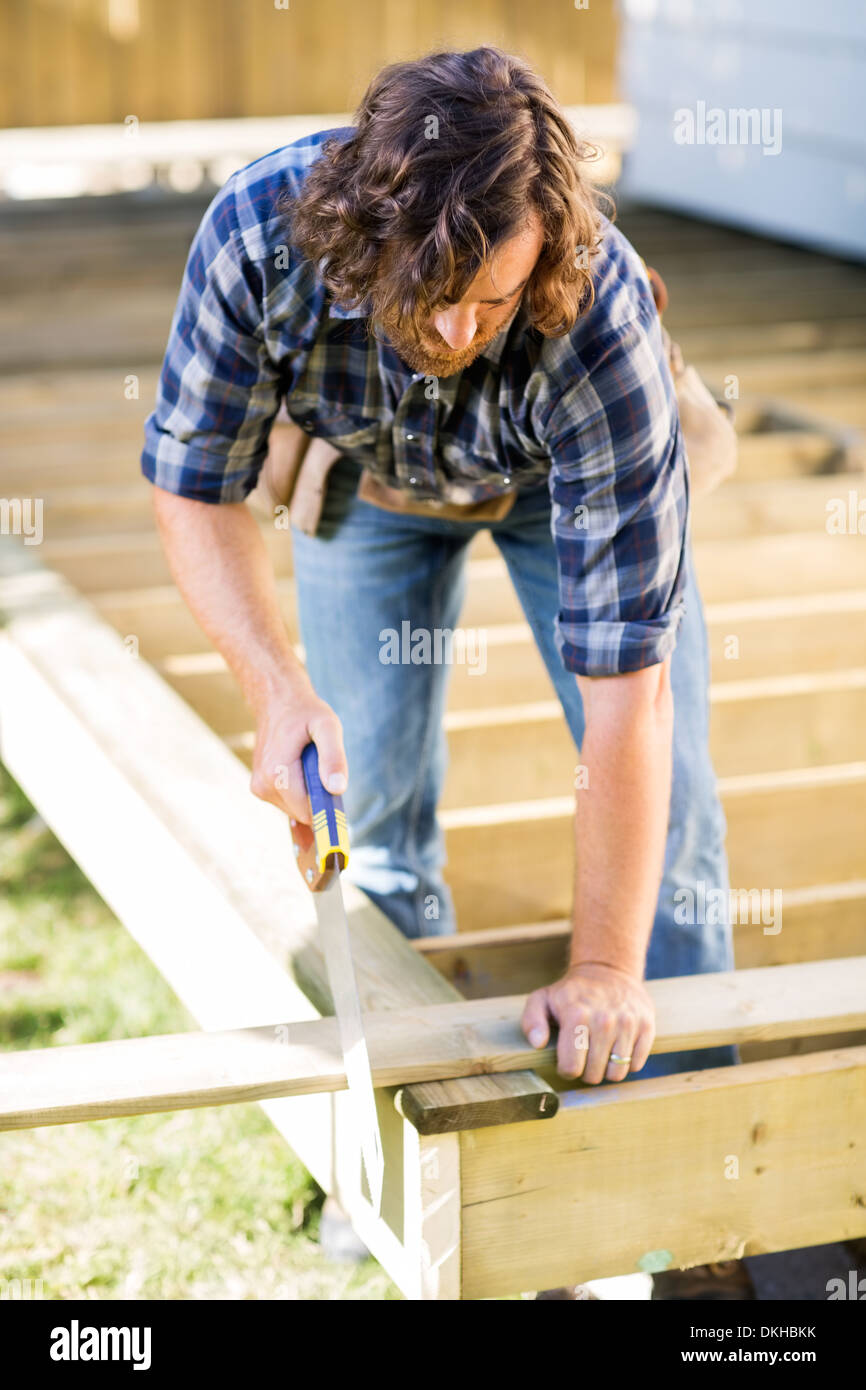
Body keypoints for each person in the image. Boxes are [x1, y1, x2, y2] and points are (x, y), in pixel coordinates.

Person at [142, 46, 743, 1298]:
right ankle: (389, 1167)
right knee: (377, 830)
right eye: (435, 301)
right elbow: (192, 484)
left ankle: (699, 1185)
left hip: (556, 484)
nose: (462, 333)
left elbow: (620, 702)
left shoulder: (597, 322)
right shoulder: (261, 236)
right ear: (360, 237)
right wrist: (271, 684)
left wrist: (599, 971)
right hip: (367, 473)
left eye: (492, 301)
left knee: (673, 839)